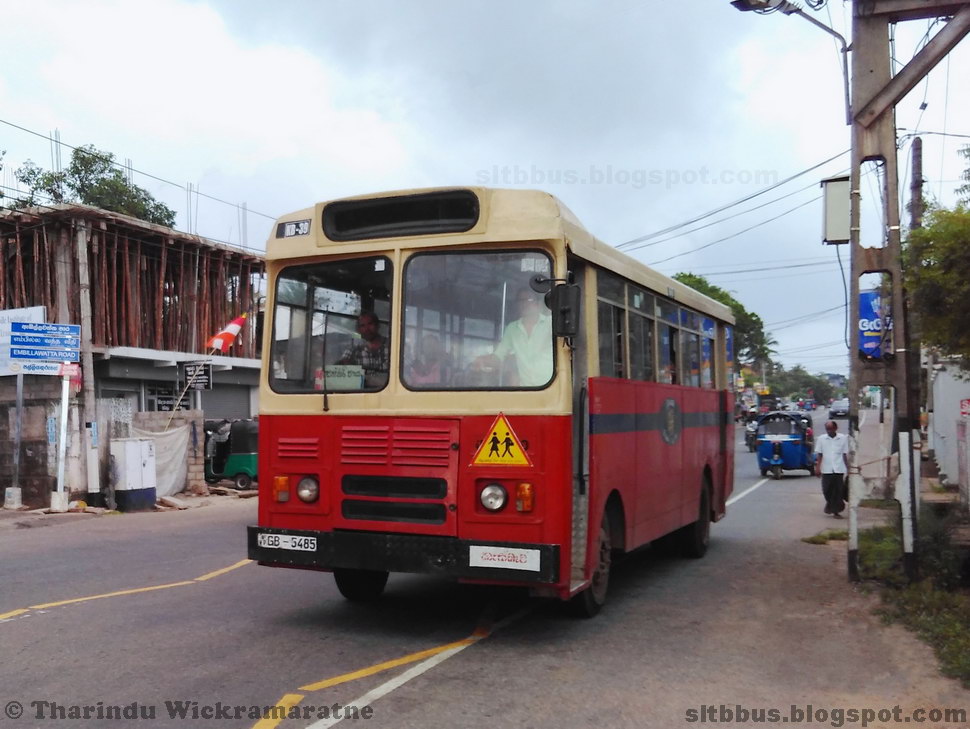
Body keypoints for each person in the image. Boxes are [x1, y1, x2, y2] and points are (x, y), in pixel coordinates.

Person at [473, 288, 553, 386]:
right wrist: (483, 360)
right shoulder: (512, 329)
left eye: (527, 300)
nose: (523, 304)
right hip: (528, 391)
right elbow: (498, 357)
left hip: (552, 386)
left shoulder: (550, 324)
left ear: (538, 303)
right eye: (520, 301)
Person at [338, 311, 389, 388]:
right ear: (359, 330)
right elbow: (340, 368)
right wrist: (345, 365)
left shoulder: (392, 346)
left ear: (377, 325)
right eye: (362, 326)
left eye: (370, 324)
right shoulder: (353, 349)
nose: (367, 329)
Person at [814, 420, 850, 518]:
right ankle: (831, 505)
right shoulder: (821, 439)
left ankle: (836, 511)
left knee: (837, 490)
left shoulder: (842, 438)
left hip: (839, 468)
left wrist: (848, 468)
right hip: (826, 469)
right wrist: (817, 467)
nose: (829, 431)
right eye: (827, 429)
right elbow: (819, 454)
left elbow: (844, 454)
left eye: (830, 429)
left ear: (835, 428)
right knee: (827, 490)